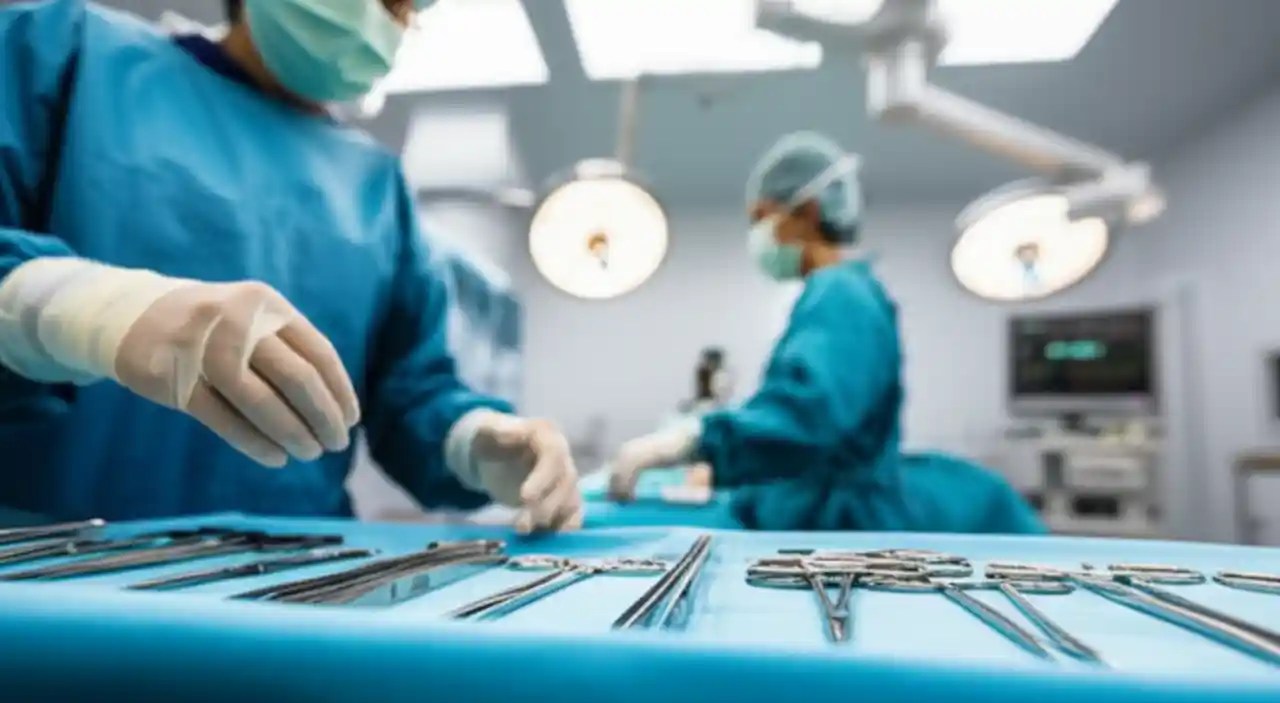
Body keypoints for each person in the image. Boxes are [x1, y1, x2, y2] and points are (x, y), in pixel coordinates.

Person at [0, 0, 581, 532]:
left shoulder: (375, 190)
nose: (383, 18)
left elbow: (410, 392)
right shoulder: (60, 53)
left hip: (295, 585)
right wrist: (87, 312)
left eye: (405, 8)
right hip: (50, 580)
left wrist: (474, 442)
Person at [609, 132, 1043, 534]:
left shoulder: (839, 292)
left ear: (809, 211)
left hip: (841, 525)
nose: (758, 236)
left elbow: (808, 417)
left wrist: (694, 441)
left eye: (762, 218)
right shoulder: (838, 293)